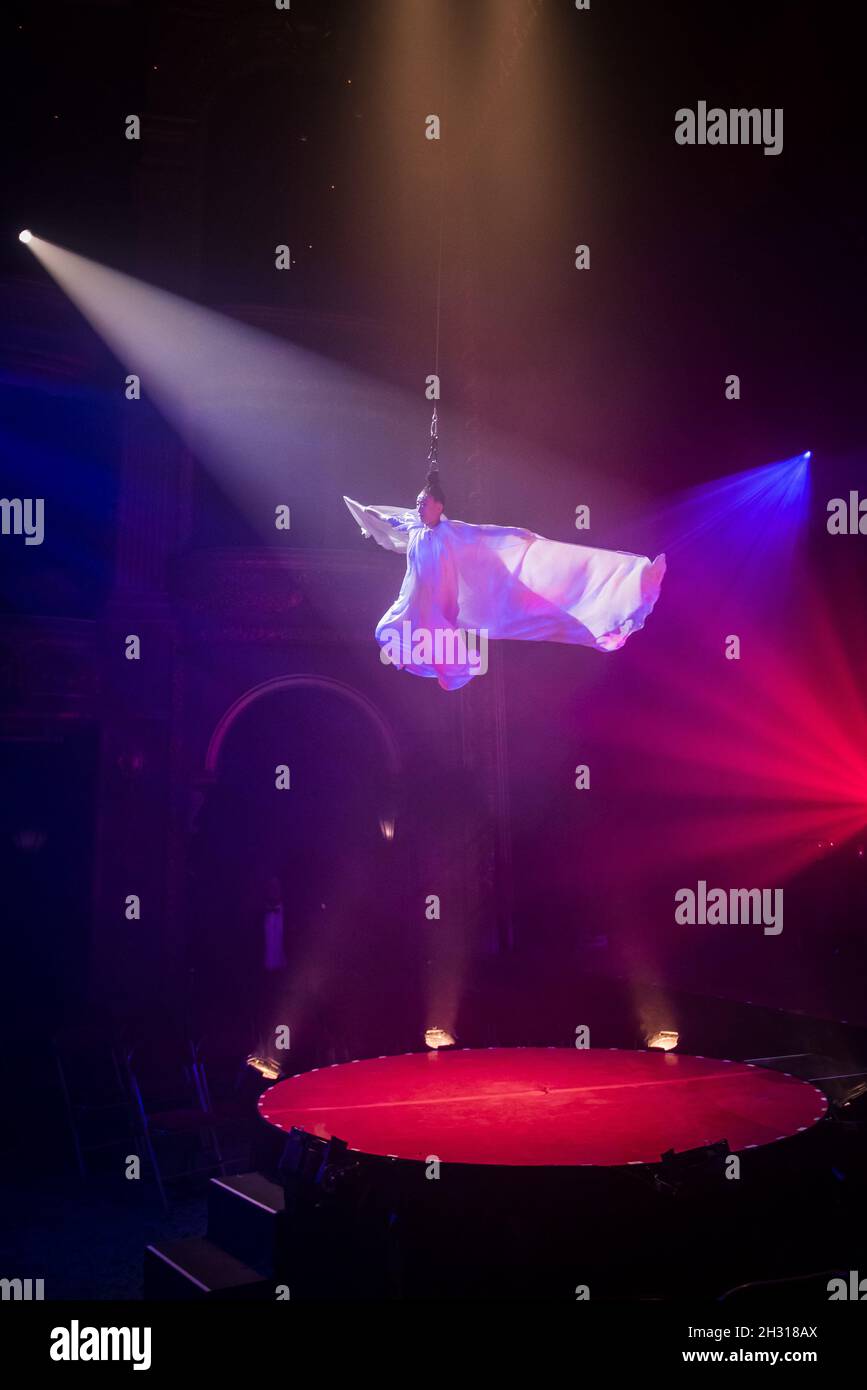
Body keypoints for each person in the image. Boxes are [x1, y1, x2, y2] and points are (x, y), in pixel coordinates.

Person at [344, 471, 666, 691]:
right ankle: (454, 666)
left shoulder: (450, 531)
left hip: (435, 602)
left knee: (416, 632)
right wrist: (367, 519)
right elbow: (389, 520)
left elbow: (487, 536)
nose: (418, 508)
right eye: (417, 504)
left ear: (439, 507)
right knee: (387, 631)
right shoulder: (415, 526)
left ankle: (630, 583)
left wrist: (519, 539)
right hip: (413, 596)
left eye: (423, 504)